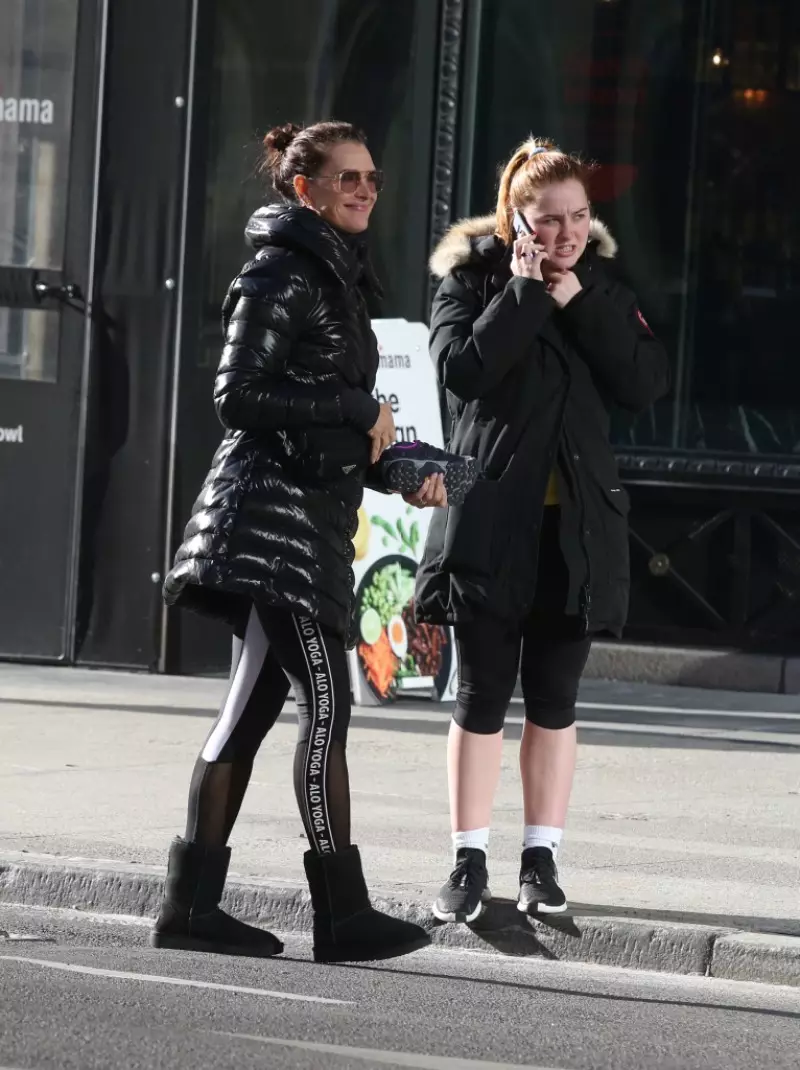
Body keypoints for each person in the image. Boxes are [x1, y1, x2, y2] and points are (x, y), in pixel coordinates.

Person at [154, 120, 461, 964]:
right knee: (325, 707)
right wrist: (361, 412)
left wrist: (399, 470)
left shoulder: (337, 277)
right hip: (270, 526)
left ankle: (191, 908)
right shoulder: (283, 270)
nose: (365, 190)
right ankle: (342, 912)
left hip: (301, 526)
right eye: (348, 178)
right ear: (305, 189)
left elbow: (324, 427)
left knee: (247, 715)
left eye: (372, 178)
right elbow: (238, 397)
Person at [415, 138, 670, 922]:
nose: (564, 235)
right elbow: (459, 372)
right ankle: (467, 858)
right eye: (548, 220)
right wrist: (523, 296)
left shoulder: (600, 284)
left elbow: (643, 383)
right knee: (481, 695)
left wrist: (575, 300)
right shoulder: (471, 279)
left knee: (555, 698)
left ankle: (540, 858)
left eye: (579, 218)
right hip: (490, 519)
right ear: (514, 218)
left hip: (579, 531)